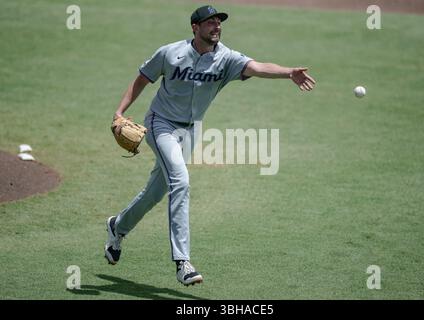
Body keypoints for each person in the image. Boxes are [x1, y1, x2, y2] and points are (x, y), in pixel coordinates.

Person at [104, 5, 316, 286]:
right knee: (180, 181)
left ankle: (117, 226)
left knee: (156, 192)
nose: (217, 26)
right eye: (210, 22)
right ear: (195, 27)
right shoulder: (170, 53)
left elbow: (257, 66)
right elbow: (142, 79)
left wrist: (288, 72)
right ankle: (183, 262)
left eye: (219, 22)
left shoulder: (225, 58)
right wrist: (119, 113)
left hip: (191, 132)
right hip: (161, 125)